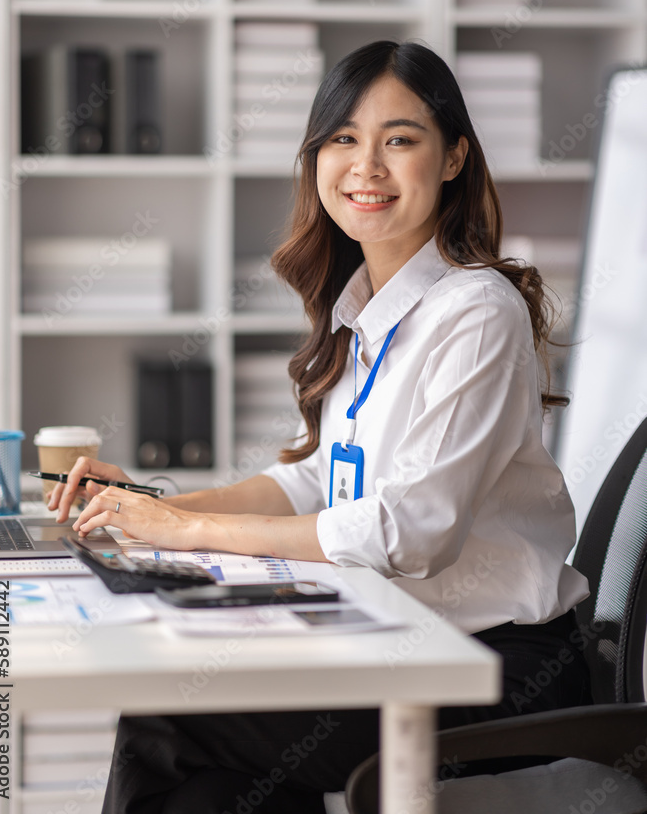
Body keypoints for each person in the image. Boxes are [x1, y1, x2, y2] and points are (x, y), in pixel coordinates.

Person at [49, 41, 592, 814]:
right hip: (401, 637)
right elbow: (314, 479)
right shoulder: (363, 309)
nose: (365, 165)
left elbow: (410, 532)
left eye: (398, 140)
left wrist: (186, 530)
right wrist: (153, 507)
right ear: (316, 159)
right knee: (205, 767)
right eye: (342, 139)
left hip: (495, 672)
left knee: (171, 724)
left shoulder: (476, 311)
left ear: (451, 159)